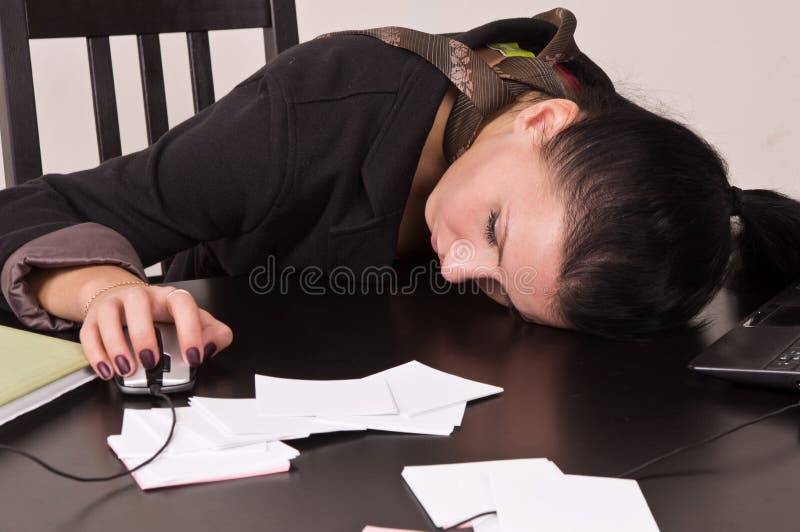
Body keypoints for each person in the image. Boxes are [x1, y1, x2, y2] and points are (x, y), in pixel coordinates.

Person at [0, 8, 798, 382]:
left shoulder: (625, 176)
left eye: (491, 287)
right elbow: (33, 209)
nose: (453, 269)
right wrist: (107, 289)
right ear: (544, 120)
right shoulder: (310, 114)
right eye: (492, 227)